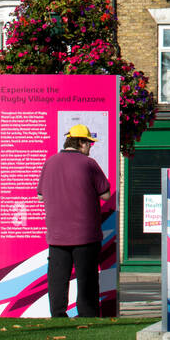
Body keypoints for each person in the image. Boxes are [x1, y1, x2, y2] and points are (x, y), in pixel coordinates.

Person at [37, 124, 110, 318]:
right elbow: (106, 194)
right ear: (80, 142)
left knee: (57, 277)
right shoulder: (89, 164)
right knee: (87, 278)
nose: (90, 147)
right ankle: (88, 314)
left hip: (57, 233)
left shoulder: (50, 163)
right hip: (85, 233)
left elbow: (40, 197)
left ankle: (58, 314)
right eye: (89, 143)